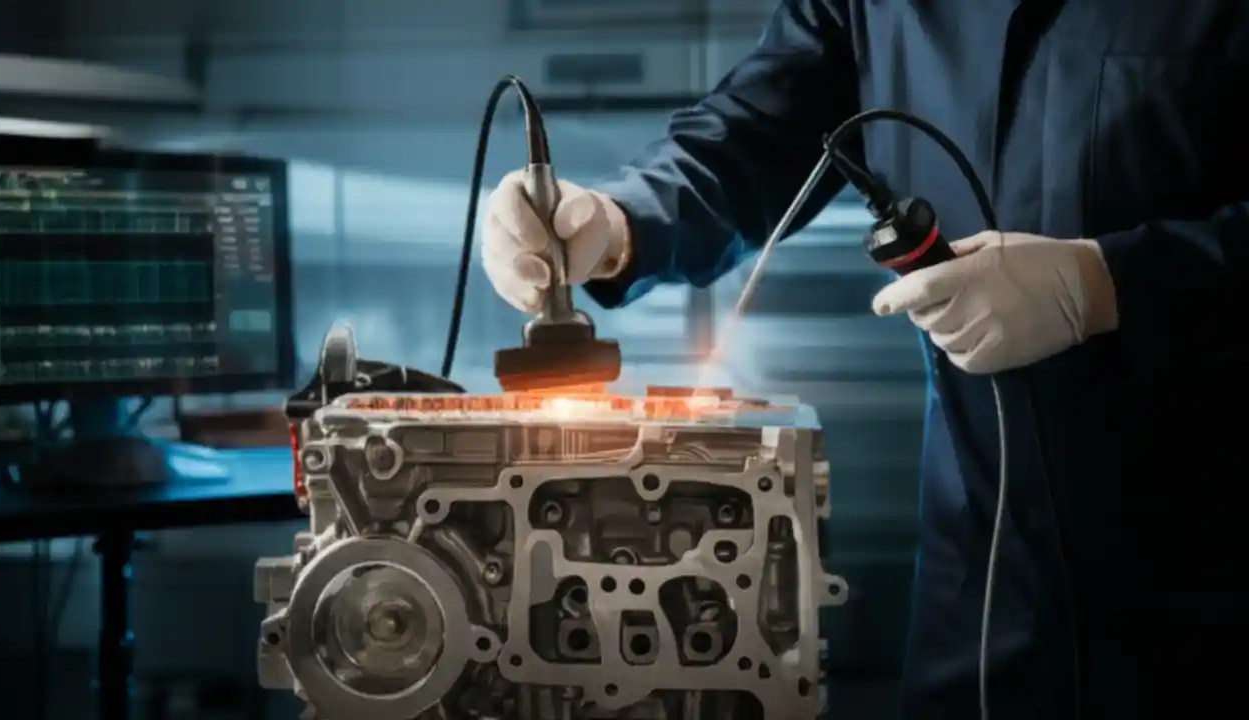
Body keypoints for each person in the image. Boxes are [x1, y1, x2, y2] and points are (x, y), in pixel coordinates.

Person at [483, 1, 1249, 718]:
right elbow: (759, 131)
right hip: (979, 594)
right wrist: (620, 221)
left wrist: (1113, 285)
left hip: (1209, 590)